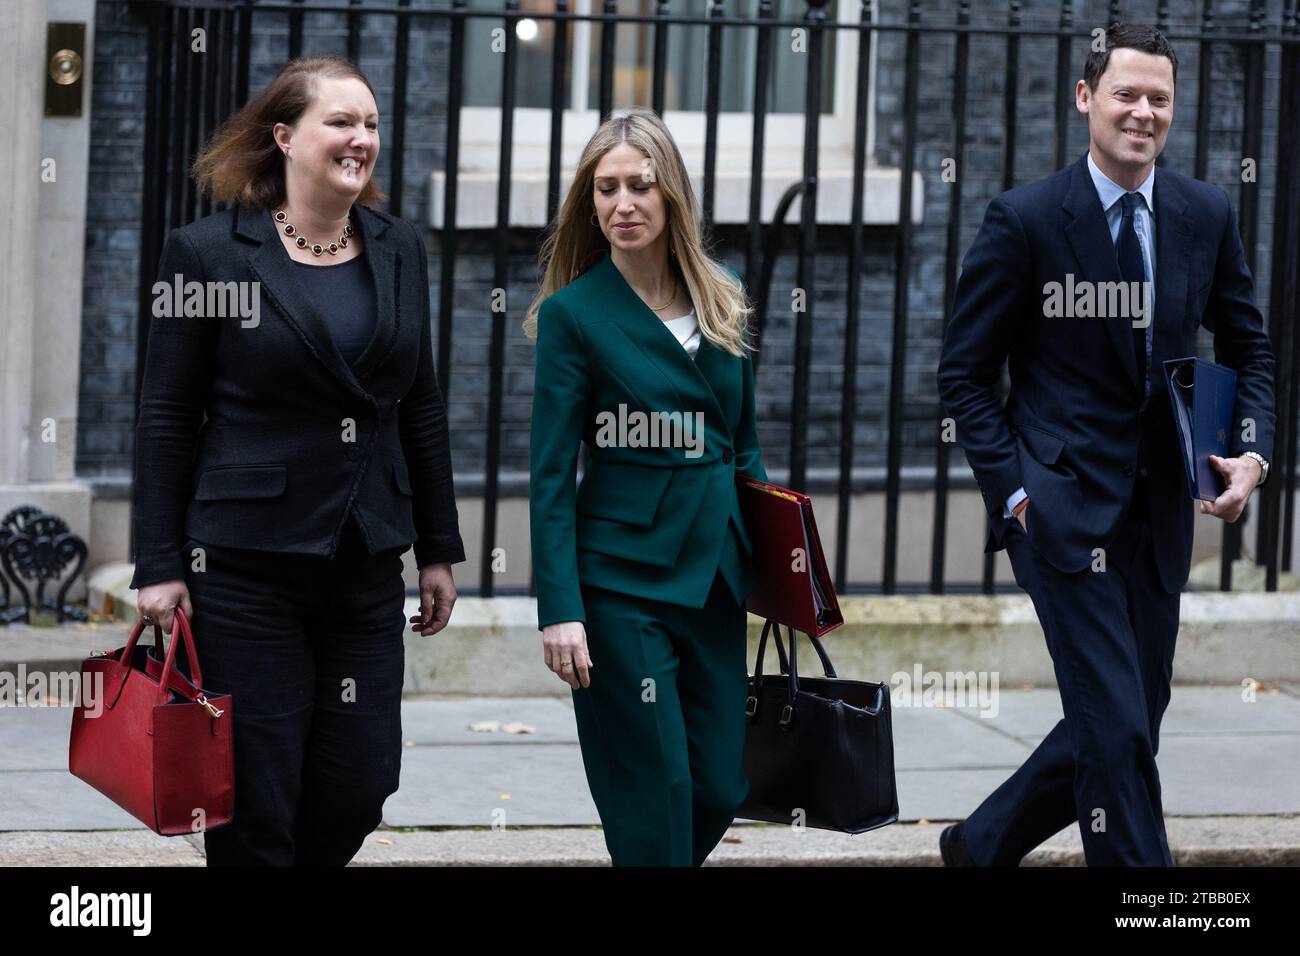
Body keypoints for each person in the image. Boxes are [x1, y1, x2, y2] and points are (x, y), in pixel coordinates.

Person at [937, 23, 1275, 867]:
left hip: (1160, 514)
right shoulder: (1025, 220)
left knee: (1131, 719)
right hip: (1059, 513)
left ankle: (979, 847)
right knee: (1118, 724)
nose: (1143, 112)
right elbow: (965, 378)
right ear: (1086, 99)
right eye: (1126, 93)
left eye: (1159, 98)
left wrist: (1252, 451)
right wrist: (1014, 494)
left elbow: (1250, 347)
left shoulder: (1203, 214)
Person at [130, 55, 465, 866]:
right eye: (341, 122)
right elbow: (168, 414)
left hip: (363, 555)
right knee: (255, 790)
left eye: (372, 124)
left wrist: (440, 546)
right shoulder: (208, 254)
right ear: (284, 136)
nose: (362, 139)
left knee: (359, 779)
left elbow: (418, 402)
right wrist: (159, 561)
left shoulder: (397, 248)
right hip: (246, 560)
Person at [526, 107, 768, 866]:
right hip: (620, 587)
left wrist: (785, 570)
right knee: (653, 789)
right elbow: (550, 475)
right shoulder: (575, 315)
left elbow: (745, 445)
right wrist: (560, 609)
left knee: (721, 787)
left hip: (717, 582)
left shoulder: (722, 294)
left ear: (672, 197)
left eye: (640, 185)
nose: (622, 203)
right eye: (605, 189)